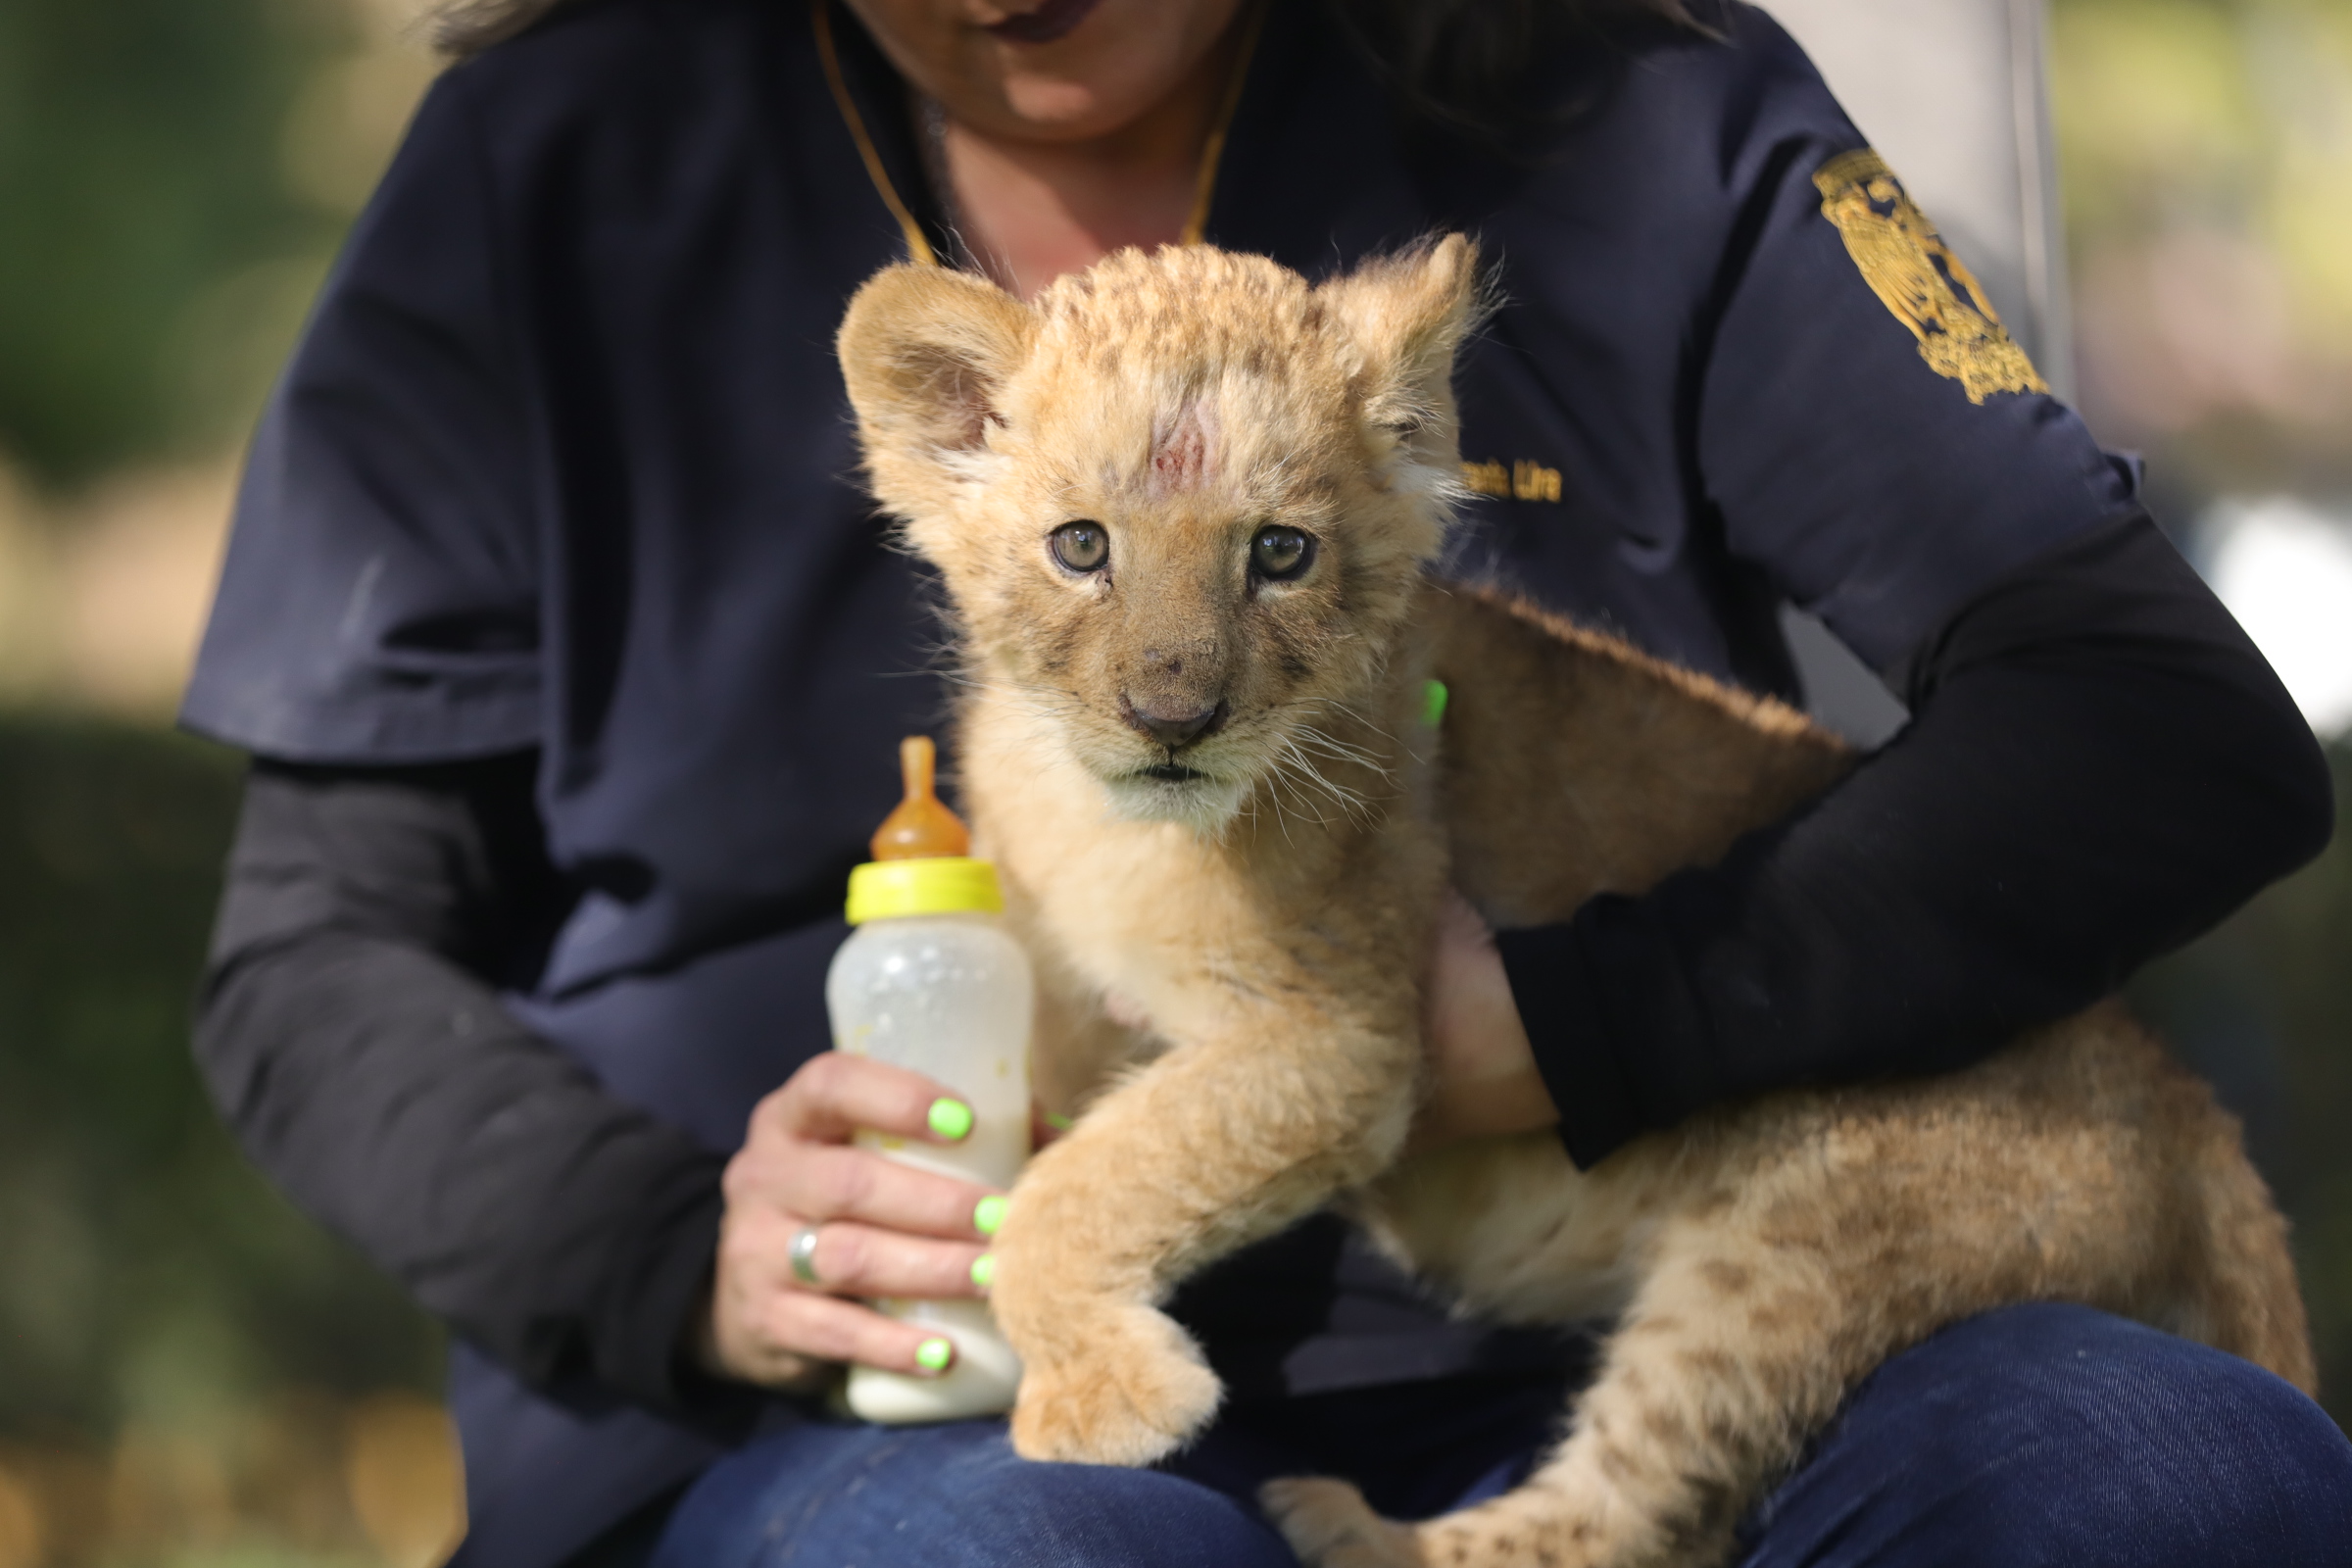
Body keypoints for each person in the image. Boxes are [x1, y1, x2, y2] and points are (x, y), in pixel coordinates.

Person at [184, 0, 2352, 1564]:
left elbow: (2159, 726)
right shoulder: (543, 171)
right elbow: (304, 961)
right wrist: (683, 1255)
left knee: (2166, 1480)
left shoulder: (1624, 100)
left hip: (1625, 1325)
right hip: (901, 1403)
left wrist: (1586, 1018)